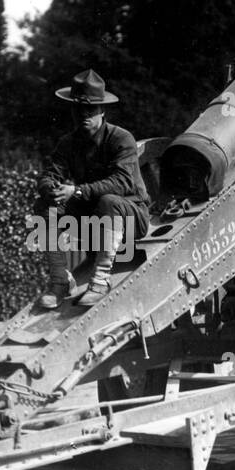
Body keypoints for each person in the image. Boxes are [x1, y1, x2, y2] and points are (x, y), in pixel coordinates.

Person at [35, 69, 150, 309]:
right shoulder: (68, 143)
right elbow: (48, 174)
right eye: (78, 109)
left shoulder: (121, 139)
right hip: (93, 221)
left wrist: (76, 191)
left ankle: (100, 281)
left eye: (90, 110)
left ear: (102, 111)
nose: (84, 115)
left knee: (108, 200)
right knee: (44, 206)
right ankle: (60, 281)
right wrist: (52, 189)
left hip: (130, 217)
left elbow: (122, 182)